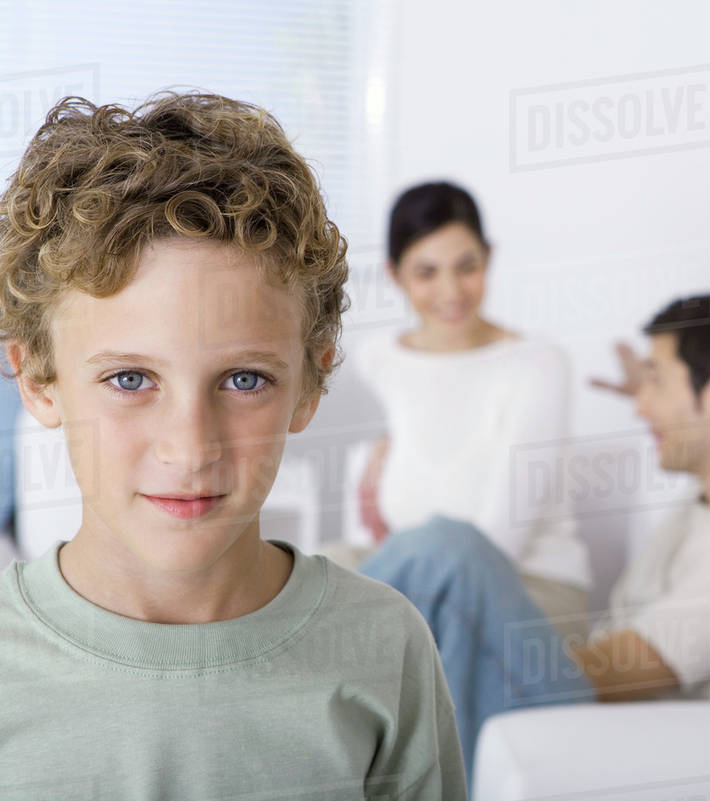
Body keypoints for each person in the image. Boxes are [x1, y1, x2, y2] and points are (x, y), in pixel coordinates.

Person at [0, 93, 465, 800]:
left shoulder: (384, 644)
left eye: (244, 378)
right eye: (131, 378)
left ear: (310, 381)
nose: (190, 448)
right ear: (38, 379)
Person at [361, 293, 710, 771]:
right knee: (421, 592)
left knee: (452, 552)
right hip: (601, 712)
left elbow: (616, 674)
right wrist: (669, 403)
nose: (641, 405)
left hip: (611, 742)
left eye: (656, 381)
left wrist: (473, 646)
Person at [345, 181, 592, 643]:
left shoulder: (538, 364)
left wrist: (394, 591)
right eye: (426, 272)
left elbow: (496, 544)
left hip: (527, 587)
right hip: (413, 574)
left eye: (466, 267)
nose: (451, 290)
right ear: (394, 274)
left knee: (369, 621)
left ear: (489, 258)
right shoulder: (377, 357)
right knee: (321, 571)